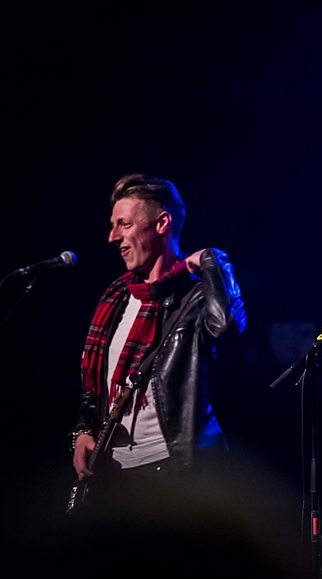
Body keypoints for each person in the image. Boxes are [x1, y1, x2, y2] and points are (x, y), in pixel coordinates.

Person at [71, 173, 246, 516]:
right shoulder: (116, 298)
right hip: (114, 474)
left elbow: (226, 327)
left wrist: (212, 261)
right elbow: (94, 388)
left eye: (123, 224)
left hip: (177, 472)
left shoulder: (195, 295)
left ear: (162, 223)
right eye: (113, 225)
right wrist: (81, 431)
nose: (113, 237)